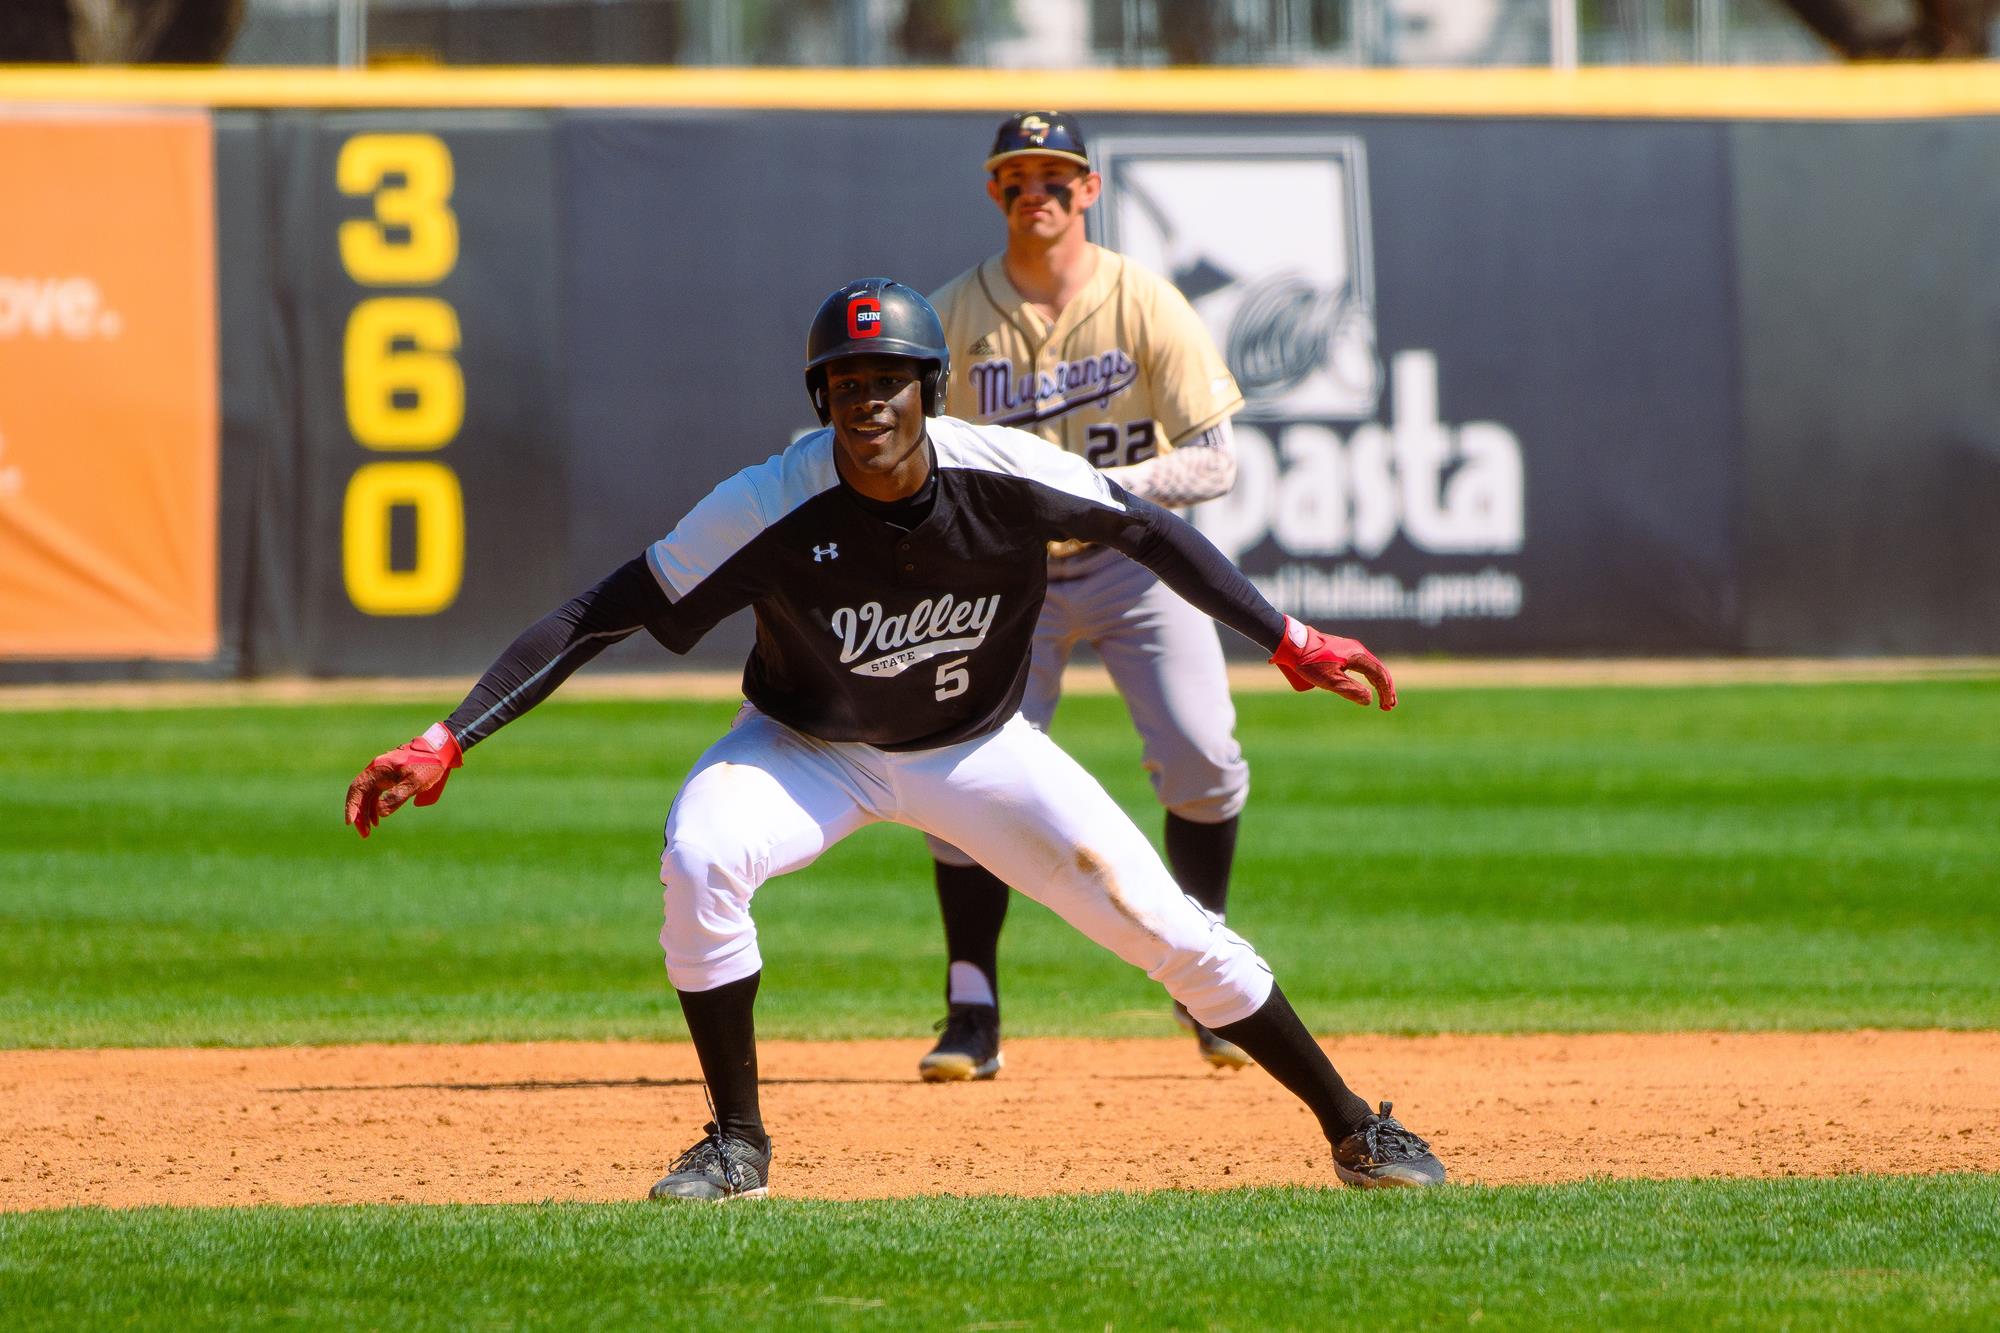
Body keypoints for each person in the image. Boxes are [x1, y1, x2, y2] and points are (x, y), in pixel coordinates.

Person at [343, 277, 1445, 1200]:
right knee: (700, 856)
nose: (867, 401)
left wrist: (1286, 636)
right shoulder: (767, 501)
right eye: (846, 384)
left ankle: (1353, 1126)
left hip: (973, 747)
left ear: (930, 389)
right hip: (804, 747)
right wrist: (449, 737)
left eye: (889, 380)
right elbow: (599, 611)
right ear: (821, 399)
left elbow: (1151, 531)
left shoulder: (1005, 473)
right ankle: (737, 1145)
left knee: (1168, 926)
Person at [917, 111, 1255, 1080]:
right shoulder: (952, 316)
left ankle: (1213, 977)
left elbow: (1215, 460)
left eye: (1055, 178)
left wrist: (1116, 493)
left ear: (1088, 191)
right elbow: (903, 453)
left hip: (1129, 559)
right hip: (1004, 573)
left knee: (1200, 756)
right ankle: (969, 1007)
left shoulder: (1143, 302)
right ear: (994, 193)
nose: (1038, 195)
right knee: (960, 775)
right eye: (1017, 179)